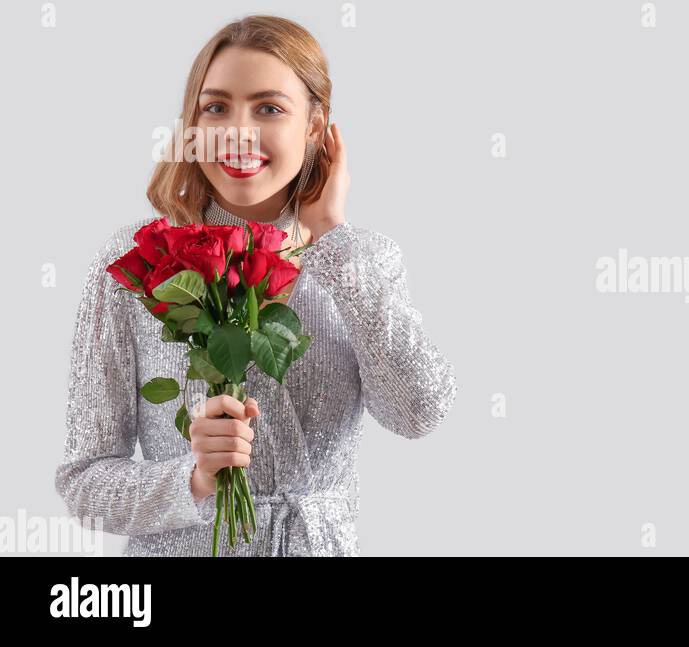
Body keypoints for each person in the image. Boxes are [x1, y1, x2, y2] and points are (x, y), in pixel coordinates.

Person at [55, 15, 457, 556]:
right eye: (216, 107)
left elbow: (419, 414)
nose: (237, 133)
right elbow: (85, 484)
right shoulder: (138, 261)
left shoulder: (362, 261)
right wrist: (192, 479)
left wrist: (333, 242)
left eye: (268, 108)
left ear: (315, 127)